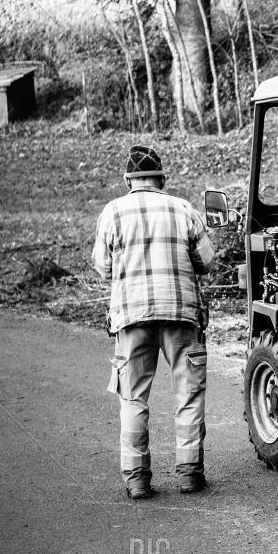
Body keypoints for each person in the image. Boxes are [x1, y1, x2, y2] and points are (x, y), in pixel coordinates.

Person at [92, 144, 216, 499]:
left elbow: (103, 267)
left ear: (128, 180)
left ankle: (137, 480)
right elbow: (207, 262)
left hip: (131, 318)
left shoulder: (112, 212)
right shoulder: (184, 209)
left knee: (133, 399)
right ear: (162, 178)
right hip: (181, 317)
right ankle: (190, 474)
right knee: (189, 395)